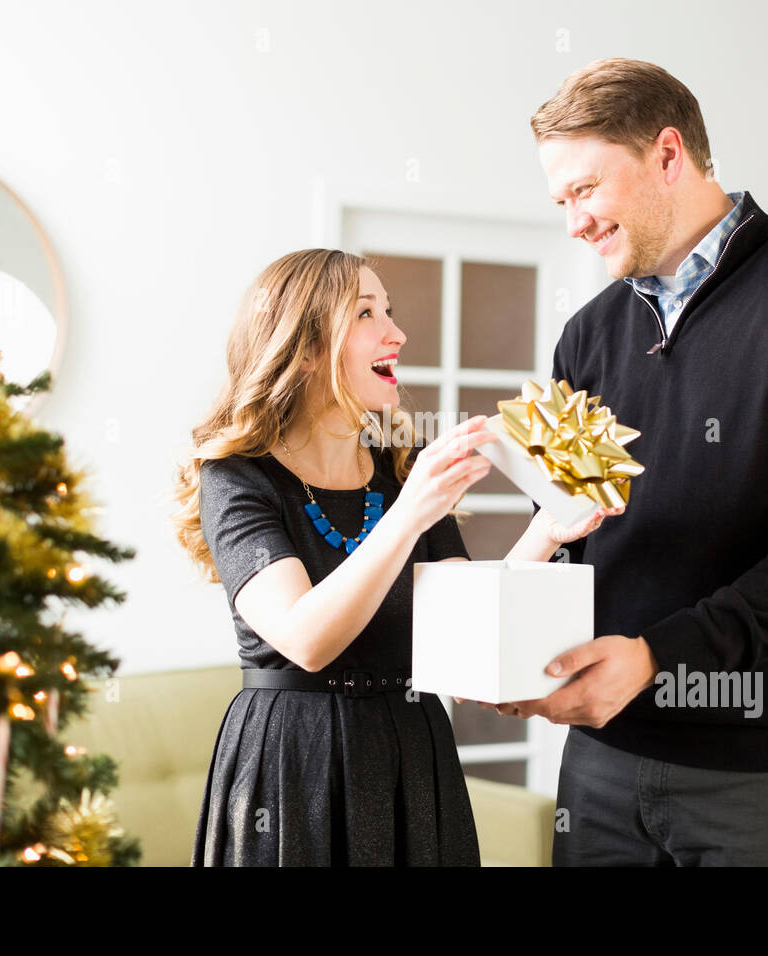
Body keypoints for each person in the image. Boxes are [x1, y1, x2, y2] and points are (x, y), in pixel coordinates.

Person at [489, 59, 768, 866]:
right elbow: (572, 530)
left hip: (764, 774)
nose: (573, 222)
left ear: (666, 153)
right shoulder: (586, 335)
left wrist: (656, 659)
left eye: (585, 189)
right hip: (600, 763)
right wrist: (519, 646)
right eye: (560, 202)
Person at [173, 248, 621, 866]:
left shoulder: (398, 470)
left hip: (411, 751)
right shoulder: (238, 478)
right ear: (303, 349)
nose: (397, 332)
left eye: (390, 309)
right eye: (366, 313)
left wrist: (552, 528)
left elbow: (466, 625)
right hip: (291, 762)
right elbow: (305, 638)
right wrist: (411, 511)